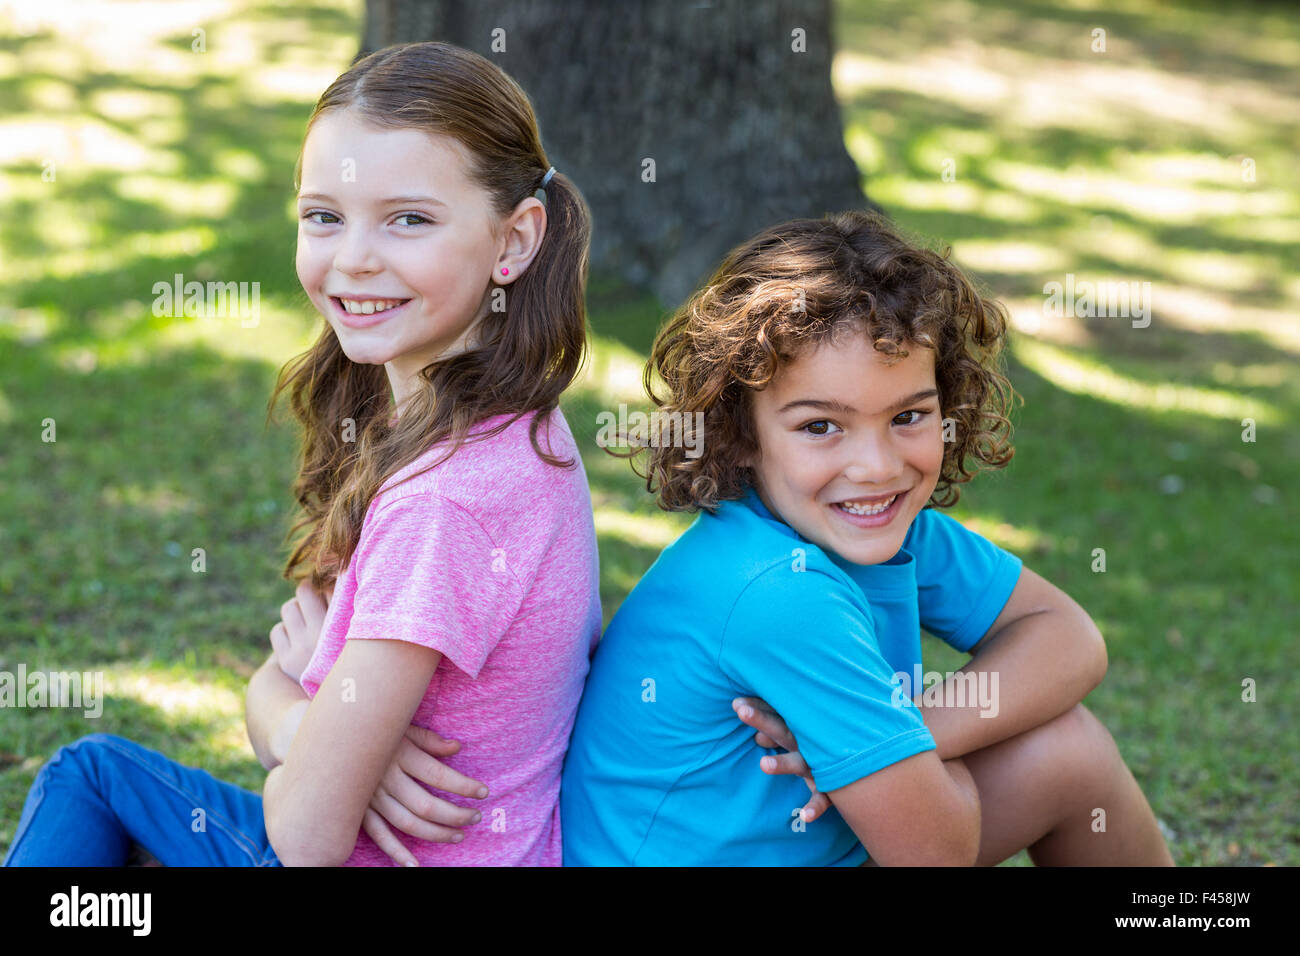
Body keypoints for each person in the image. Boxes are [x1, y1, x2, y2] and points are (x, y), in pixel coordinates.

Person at [4, 41, 601, 867]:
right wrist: (313, 722)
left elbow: (307, 835)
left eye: (409, 218)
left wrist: (293, 716)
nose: (352, 255)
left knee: (89, 776)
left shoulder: (442, 501)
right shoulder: (524, 425)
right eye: (324, 215)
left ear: (514, 240)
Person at [560, 209, 1175, 866]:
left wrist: (913, 734)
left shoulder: (886, 523)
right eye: (821, 427)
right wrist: (898, 746)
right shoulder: (775, 591)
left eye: (907, 416)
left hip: (816, 845)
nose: (878, 467)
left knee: (1070, 750)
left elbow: (1069, 638)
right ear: (741, 434)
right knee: (1062, 752)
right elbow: (934, 853)